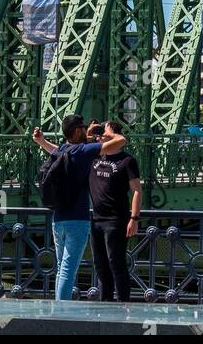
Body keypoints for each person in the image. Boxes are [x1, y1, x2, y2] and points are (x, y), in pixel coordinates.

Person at [33, 114, 125, 301]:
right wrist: (108, 133)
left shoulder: (64, 150)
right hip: (77, 220)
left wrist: (40, 141)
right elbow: (121, 141)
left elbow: (53, 149)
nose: (87, 130)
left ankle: (59, 305)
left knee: (61, 267)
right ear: (77, 131)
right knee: (68, 269)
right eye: (83, 128)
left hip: (58, 220)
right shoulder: (83, 151)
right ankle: (62, 310)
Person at [88, 119, 142, 303]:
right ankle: (105, 305)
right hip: (96, 219)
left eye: (105, 131)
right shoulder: (95, 156)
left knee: (116, 264)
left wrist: (134, 218)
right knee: (100, 266)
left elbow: (136, 191)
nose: (101, 134)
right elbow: (75, 145)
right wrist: (91, 132)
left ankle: (123, 305)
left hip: (116, 220)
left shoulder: (127, 160)